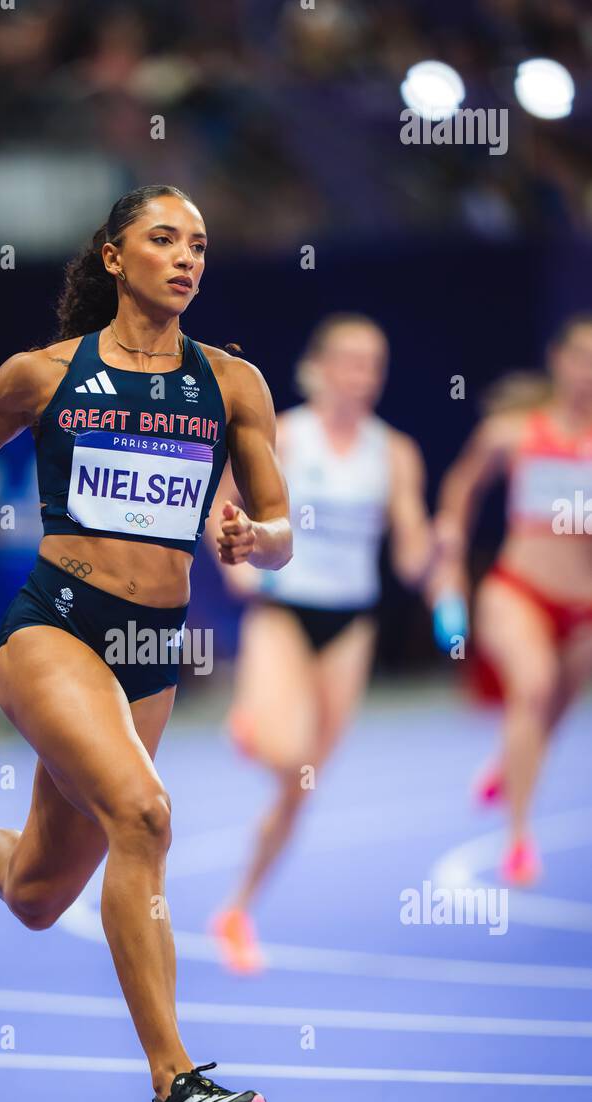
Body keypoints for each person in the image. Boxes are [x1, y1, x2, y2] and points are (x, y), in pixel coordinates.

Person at [0, 184, 292, 1102]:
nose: (187, 258)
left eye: (199, 245)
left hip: (150, 656)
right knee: (145, 814)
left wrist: (251, 540)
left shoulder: (233, 385)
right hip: (52, 630)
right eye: (163, 240)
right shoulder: (43, 374)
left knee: (34, 891)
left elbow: (280, 531)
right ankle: (173, 1081)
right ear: (113, 256)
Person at [205, 314, 434, 971]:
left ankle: (236, 909)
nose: (362, 377)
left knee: (302, 782)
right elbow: (222, 500)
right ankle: (255, 725)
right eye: (351, 361)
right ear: (323, 366)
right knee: (287, 749)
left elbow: (411, 550)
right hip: (283, 609)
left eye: (374, 365)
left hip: (350, 622)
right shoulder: (288, 434)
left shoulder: (394, 453)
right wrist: (234, 563)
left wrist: (433, 557)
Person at [433, 314, 592, 885]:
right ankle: (520, 838)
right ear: (559, 361)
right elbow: (462, 483)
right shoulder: (515, 431)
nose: (587, 374)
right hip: (518, 590)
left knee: (551, 712)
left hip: (584, 610)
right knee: (535, 686)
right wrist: (451, 529)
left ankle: (508, 762)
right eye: (579, 359)